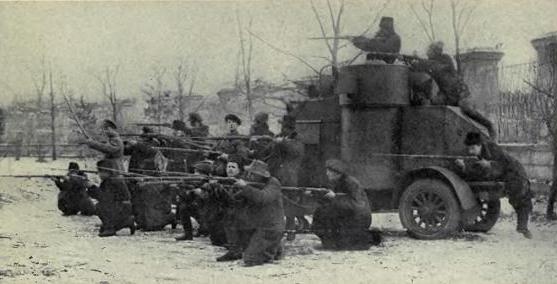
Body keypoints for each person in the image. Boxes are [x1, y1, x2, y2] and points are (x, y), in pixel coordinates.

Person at [455, 132, 533, 239]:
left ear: (480, 145)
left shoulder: (493, 150)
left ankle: (523, 228)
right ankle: (522, 228)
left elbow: (502, 166)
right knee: (519, 200)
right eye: (469, 148)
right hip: (505, 174)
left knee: (521, 200)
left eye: (473, 148)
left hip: (515, 174)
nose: (470, 151)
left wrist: (489, 165)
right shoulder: (481, 153)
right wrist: (464, 167)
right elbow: (478, 171)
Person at [413, 42, 497, 139]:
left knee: (467, 108)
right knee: (430, 104)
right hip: (446, 95)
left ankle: (489, 125)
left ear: (435, 52)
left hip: (461, 93)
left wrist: (419, 61)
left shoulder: (445, 61)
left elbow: (435, 67)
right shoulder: (433, 63)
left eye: (429, 50)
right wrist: (414, 62)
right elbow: (423, 67)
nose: (427, 52)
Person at [312, 159, 379, 250]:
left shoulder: (351, 183)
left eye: (329, 171)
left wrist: (334, 197)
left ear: (337, 173)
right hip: (349, 217)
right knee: (321, 211)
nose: (327, 174)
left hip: (358, 220)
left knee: (327, 213)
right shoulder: (338, 182)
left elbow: (357, 206)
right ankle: (331, 242)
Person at [266, 114, 311, 241]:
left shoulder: (298, 139)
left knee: (290, 203)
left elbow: (296, 151)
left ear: (290, 128)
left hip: (291, 175)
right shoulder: (279, 137)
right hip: (277, 174)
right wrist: (272, 143)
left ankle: (291, 230)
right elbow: (270, 152)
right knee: (275, 203)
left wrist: (283, 143)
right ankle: (277, 228)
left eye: (285, 127)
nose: (283, 129)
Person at [233, 160, 285, 266]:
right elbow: (235, 200)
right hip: (259, 226)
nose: (250, 176)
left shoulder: (273, 182)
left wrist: (245, 187)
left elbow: (263, 198)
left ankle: (272, 249)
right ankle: (273, 250)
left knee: (250, 259)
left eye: (253, 174)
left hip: (271, 227)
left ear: (261, 175)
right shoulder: (254, 185)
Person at [215, 155, 255, 261]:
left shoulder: (242, 182)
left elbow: (236, 200)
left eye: (233, 167)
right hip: (236, 211)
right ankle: (235, 247)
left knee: (230, 216)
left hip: (246, 212)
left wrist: (222, 190)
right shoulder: (226, 180)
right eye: (228, 167)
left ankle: (235, 250)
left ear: (239, 170)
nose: (230, 169)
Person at [87, 159, 135, 237]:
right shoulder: (112, 179)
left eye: (100, 172)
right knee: (103, 207)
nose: (99, 174)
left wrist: (92, 187)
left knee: (99, 206)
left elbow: (104, 198)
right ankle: (127, 221)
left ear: (107, 172)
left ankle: (110, 228)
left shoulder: (112, 181)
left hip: (121, 207)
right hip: (121, 206)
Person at [175, 160, 213, 241]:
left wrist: (201, 193)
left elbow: (210, 197)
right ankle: (188, 234)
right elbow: (185, 196)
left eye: (198, 172)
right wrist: (185, 191)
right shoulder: (194, 183)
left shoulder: (210, 184)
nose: (195, 174)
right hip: (199, 210)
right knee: (184, 207)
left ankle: (204, 229)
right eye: (195, 172)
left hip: (210, 213)